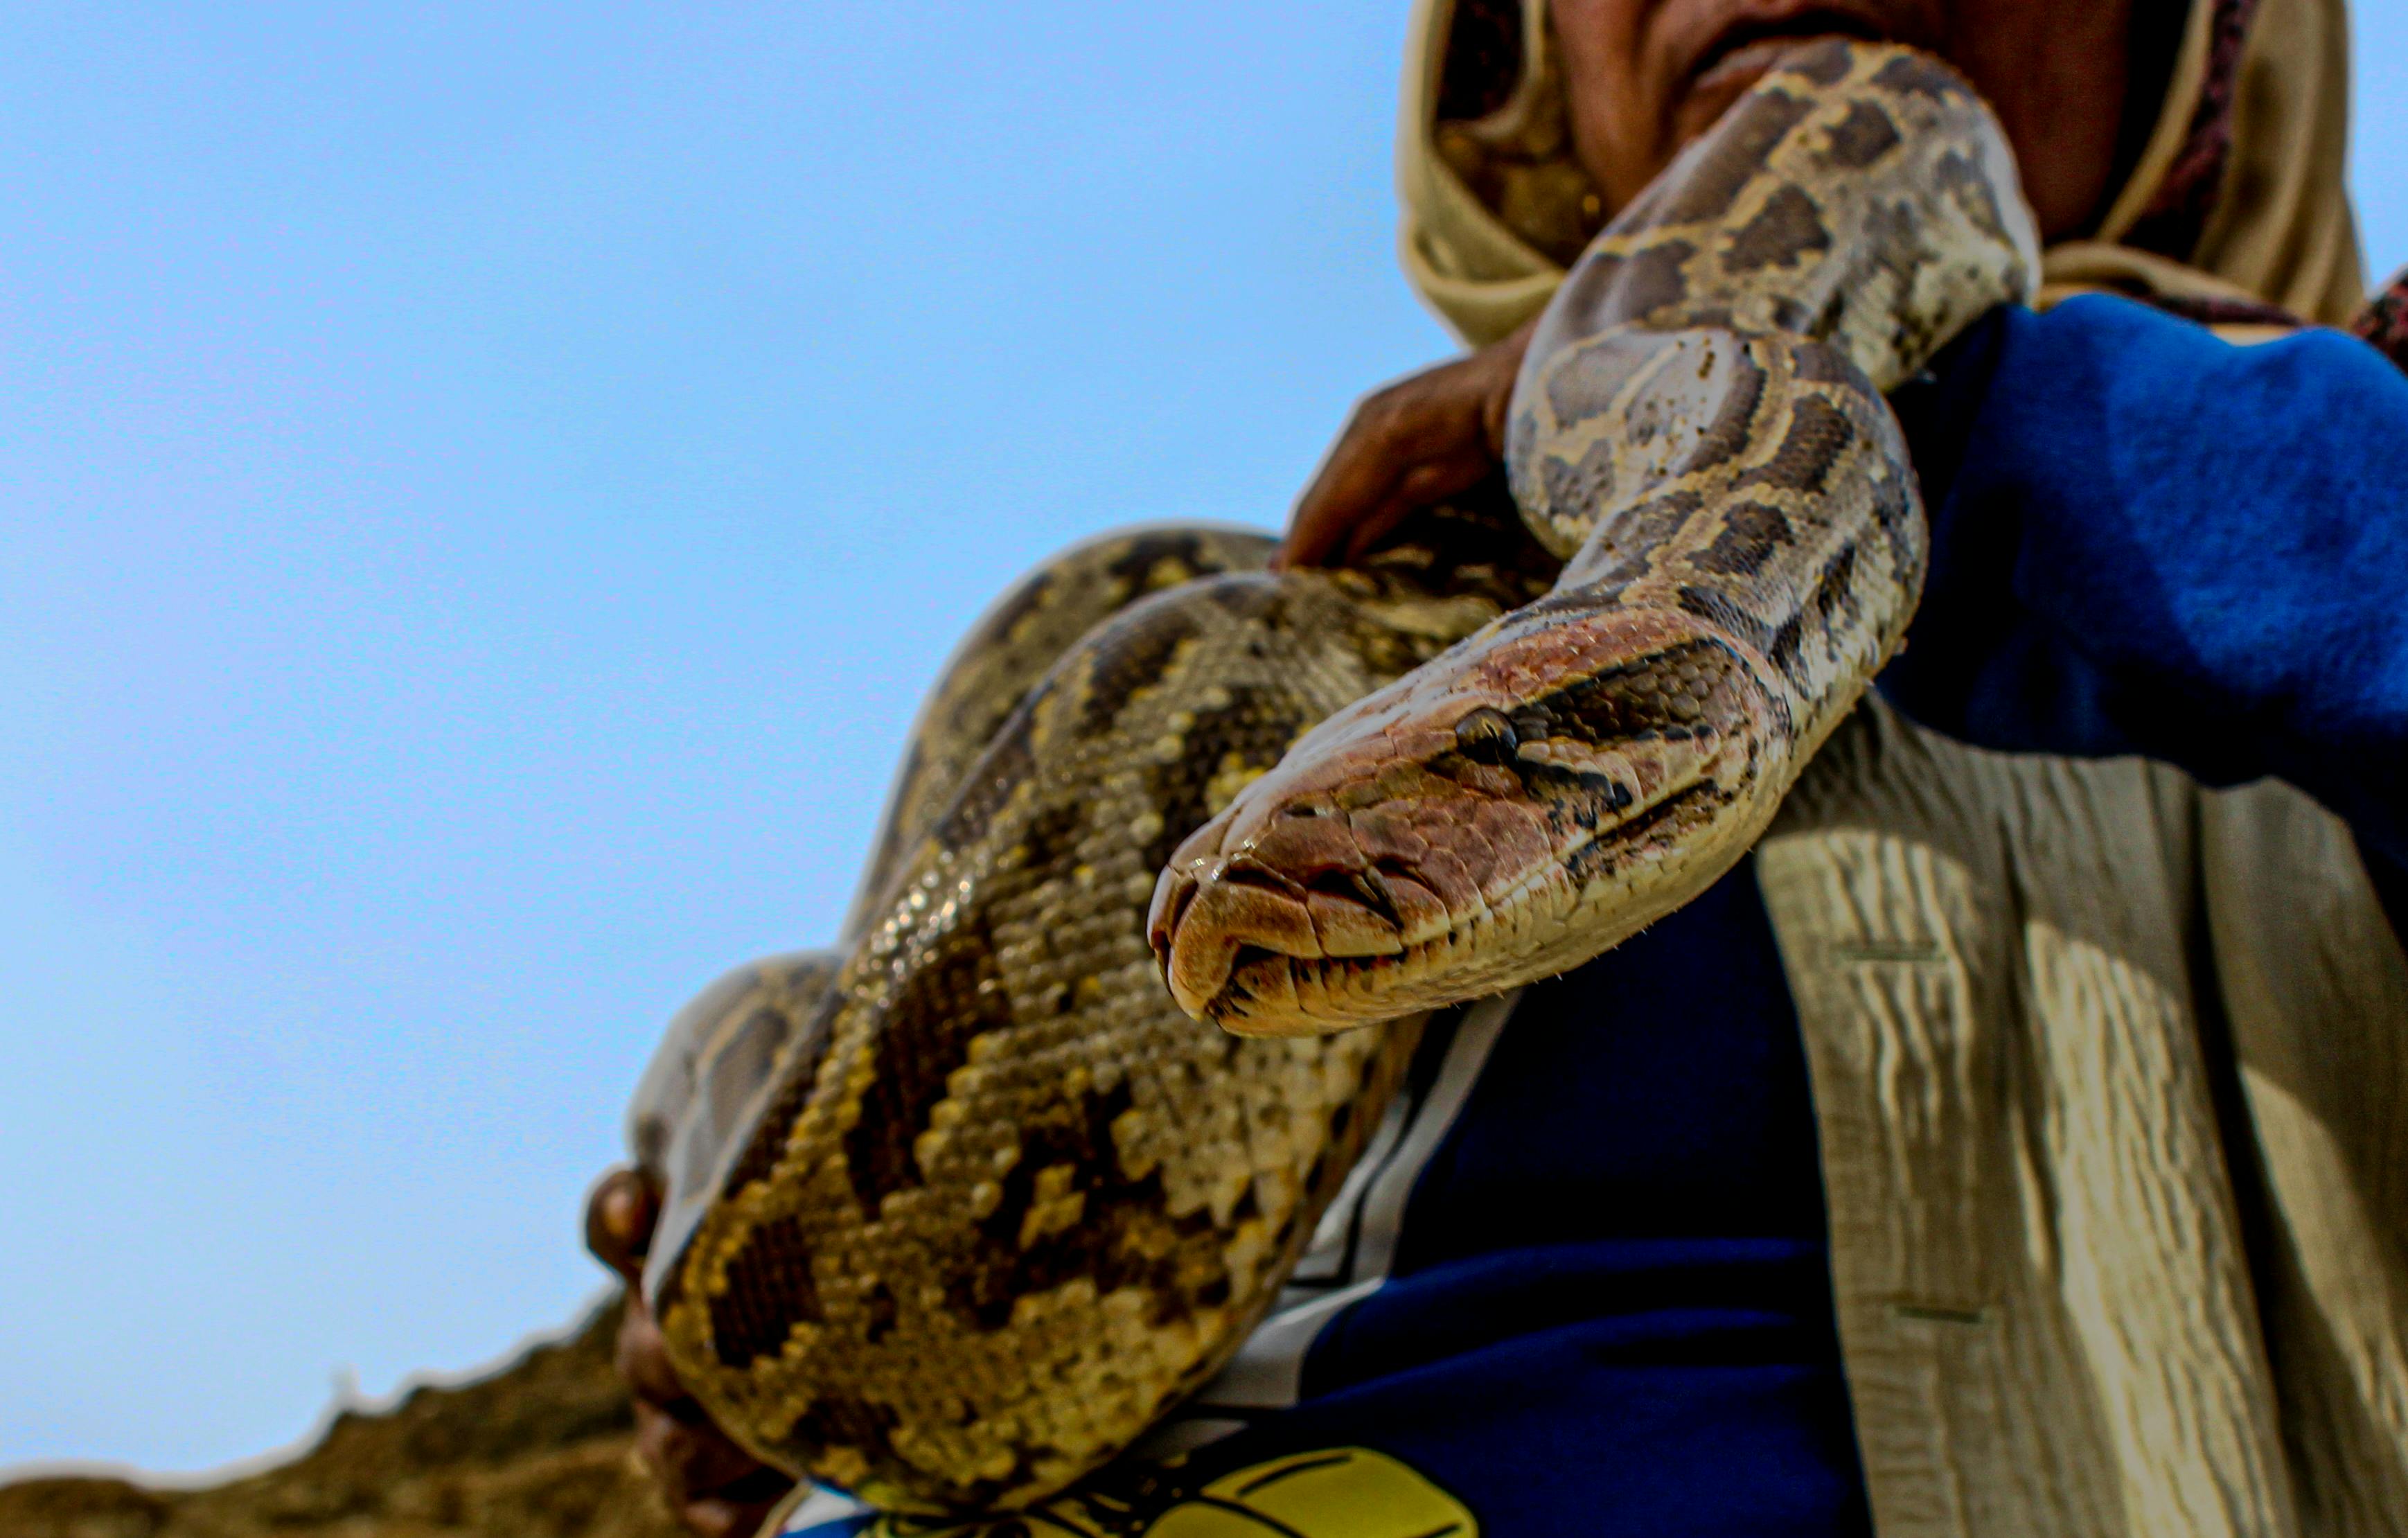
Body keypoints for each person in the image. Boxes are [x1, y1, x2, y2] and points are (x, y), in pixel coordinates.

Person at [588, 0, 2408, 1533]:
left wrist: (1945, 419)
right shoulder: (1214, 654)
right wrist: (757, 1302)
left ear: (2217, 63)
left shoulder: (2324, 634)